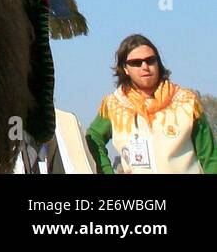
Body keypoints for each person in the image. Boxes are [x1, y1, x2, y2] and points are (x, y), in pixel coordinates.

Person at [85, 34, 216, 174]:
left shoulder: (186, 103)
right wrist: (106, 171)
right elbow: (93, 138)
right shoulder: (113, 105)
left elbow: (210, 157)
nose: (145, 66)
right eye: (136, 63)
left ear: (158, 63)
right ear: (125, 68)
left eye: (150, 60)